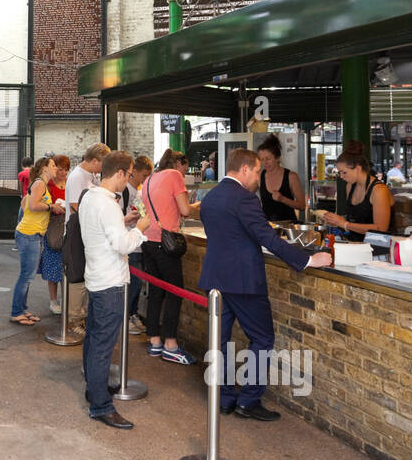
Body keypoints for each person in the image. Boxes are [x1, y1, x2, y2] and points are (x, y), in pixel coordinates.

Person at [199, 148, 332, 420]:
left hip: (215, 279)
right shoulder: (244, 199)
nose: (259, 179)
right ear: (245, 169)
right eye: (257, 172)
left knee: (219, 341)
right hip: (244, 281)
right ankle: (248, 400)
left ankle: (223, 398)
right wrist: (307, 261)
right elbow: (268, 238)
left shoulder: (210, 197)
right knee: (262, 338)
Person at [79, 150, 150, 430]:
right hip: (110, 282)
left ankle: (93, 389)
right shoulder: (107, 204)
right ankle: (100, 406)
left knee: (93, 341)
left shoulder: (90, 198)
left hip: (96, 278)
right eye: (129, 174)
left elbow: (102, 233)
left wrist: (125, 223)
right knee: (102, 347)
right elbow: (122, 246)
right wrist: (141, 228)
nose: (129, 180)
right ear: (120, 173)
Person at [139, 148, 196, 363]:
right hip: (166, 243)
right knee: (174, 291)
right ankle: (170, 344)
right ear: (178, 164)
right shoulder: (174, 176)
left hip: (148, 241)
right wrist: (194, 205)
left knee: (155, 291)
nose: (185, 172)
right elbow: (185, 210)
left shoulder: (150, 178)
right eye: (185, 167)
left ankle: (154, 341)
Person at [64, 143, 109, 330]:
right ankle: (74, 319)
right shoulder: (77, 177)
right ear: (93, 160)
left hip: (86, 233)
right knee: (77, 279)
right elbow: (75, 206)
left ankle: (81, 317)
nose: (103, 168)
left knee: (84, 278)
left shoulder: (90, 175)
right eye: (102, 164)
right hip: (77, 234)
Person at [11, 156, 58, 326]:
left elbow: (25, 203)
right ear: (44, 168)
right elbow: (32, 205)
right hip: (29, 235)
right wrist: (51, 207)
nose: (56, 168)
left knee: (27, 275)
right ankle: (16, 312)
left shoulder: (39, 184)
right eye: (53, 165)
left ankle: (22, 309)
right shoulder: (39, 184)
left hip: (32, 234)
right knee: (26, 276)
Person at [321, 141, 395, 241]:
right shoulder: (350, 186)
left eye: (344, 172)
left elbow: (381, 228)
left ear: (358, 168)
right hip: (355, 243)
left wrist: (345, 224)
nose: (341, 176)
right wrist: (336, 220)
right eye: (339, 173)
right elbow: (354, 219)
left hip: (379, 248)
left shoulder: (379, 190)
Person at [123, 154, 152, 334]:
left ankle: (132, 313)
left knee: (137, 282)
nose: (145, 180)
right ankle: (126, 316)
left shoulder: (141, 190)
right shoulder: (125, 191)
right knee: (133, 282)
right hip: (130, 242)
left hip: (140, 241)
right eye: (143, 176)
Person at [40, 154, 71, 314]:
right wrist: (53, 207)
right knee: (52, 266)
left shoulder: (70, 184)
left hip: (68, 228)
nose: (63, 172)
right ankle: (53, 300)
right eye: (60, 169)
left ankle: (67, 299)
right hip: (53, 228)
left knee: (67, 266)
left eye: (66, 169)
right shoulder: (48, 185)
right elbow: (42, 205)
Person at [257, 134, 305, 223]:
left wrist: (283, 199)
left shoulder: (291, 176)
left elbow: (302, 206)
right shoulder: (259, 175)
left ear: (277, 158)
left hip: (289, 228)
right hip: (267, 227)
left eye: (268, 159)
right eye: (262, 159)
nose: (265, 163)